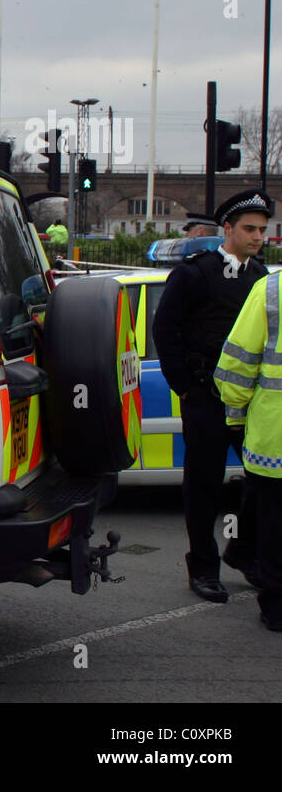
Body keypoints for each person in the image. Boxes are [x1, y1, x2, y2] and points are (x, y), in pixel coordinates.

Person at [153, 189, 273, 601]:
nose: (258, 237)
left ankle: (242, 551)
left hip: (250, 402)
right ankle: (203, 568)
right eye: (250, 229)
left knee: (263, 481)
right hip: (205, 396)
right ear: (228, 229)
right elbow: (165, 330)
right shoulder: (194, 273)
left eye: (263, 230)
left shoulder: (261, 278)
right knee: (203, 485)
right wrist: (183, 385)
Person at [215, 268, 282, 629]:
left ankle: (275, 604)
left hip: (273, 435)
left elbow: (236, 364)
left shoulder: (270, 289)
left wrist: (236, 414)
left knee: (273, 520)